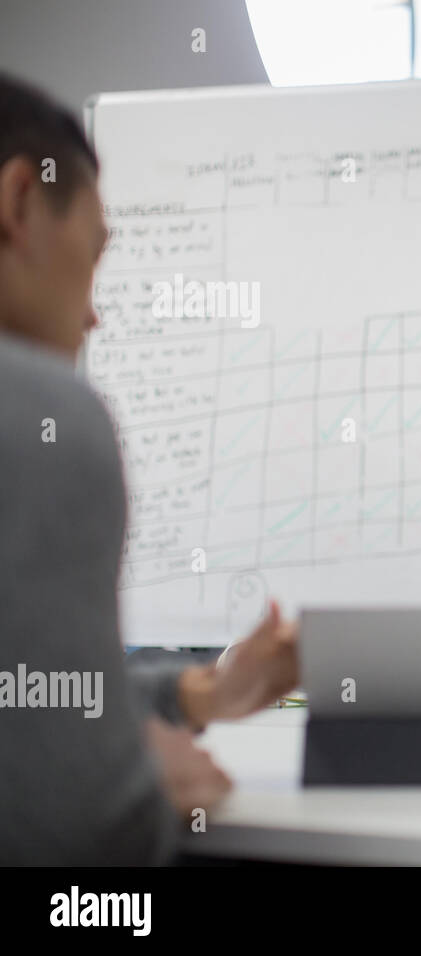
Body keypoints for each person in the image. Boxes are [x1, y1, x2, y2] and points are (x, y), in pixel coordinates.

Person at [0, 72, 298, 864]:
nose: (95, 312)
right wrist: (145, 783)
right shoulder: (40, 413)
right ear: (19, 201)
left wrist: (198, 692)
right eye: (94, 254)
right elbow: (83, 823)